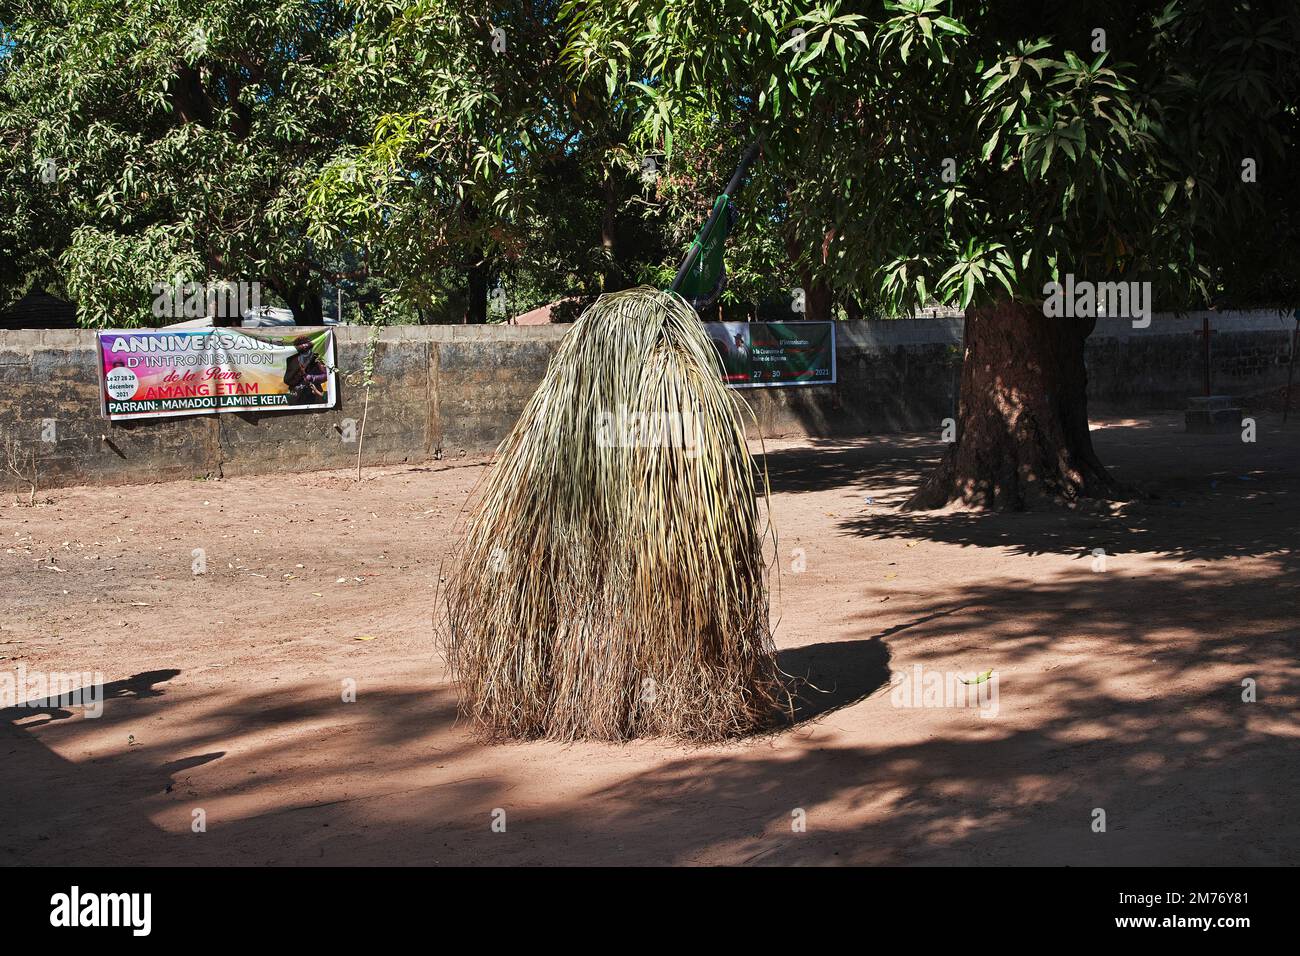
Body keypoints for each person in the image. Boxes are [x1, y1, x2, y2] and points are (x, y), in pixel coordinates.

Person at [283, 335, 328, 404]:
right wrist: (299, 375)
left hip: (314, 392)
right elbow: (287, 380)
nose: (306, 350)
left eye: (308, 348)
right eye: (303, 348)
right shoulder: (291, 360)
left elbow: (326, 375)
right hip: (296, 394)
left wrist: (312, 377)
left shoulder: (316, 357)